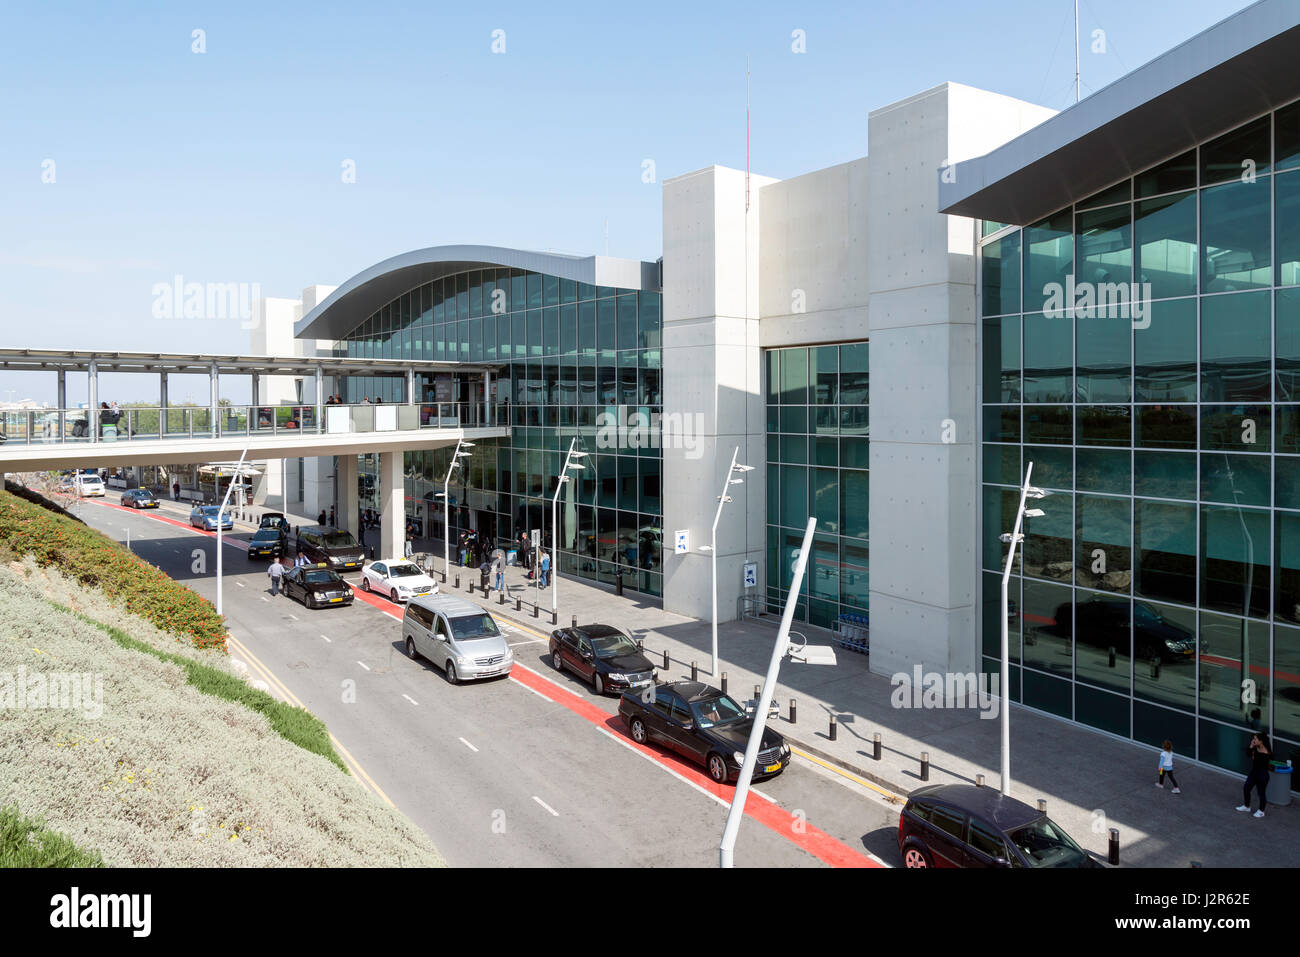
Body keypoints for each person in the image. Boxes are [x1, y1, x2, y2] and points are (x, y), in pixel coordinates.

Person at [1237, 731, 1272, 818]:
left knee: (1261, 793)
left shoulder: (1266, 752)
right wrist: (1251, 746)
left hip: (1262, 775)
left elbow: (1258, 760)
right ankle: (1247, 806)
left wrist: (1253, 752)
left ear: (1261, 741)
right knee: (1246, 788)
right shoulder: (1255, 748)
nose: (1253, 740)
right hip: (1254, 773)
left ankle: (1261, 811)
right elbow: (1248, 754)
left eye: (1255, 739)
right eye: (1254, 738)